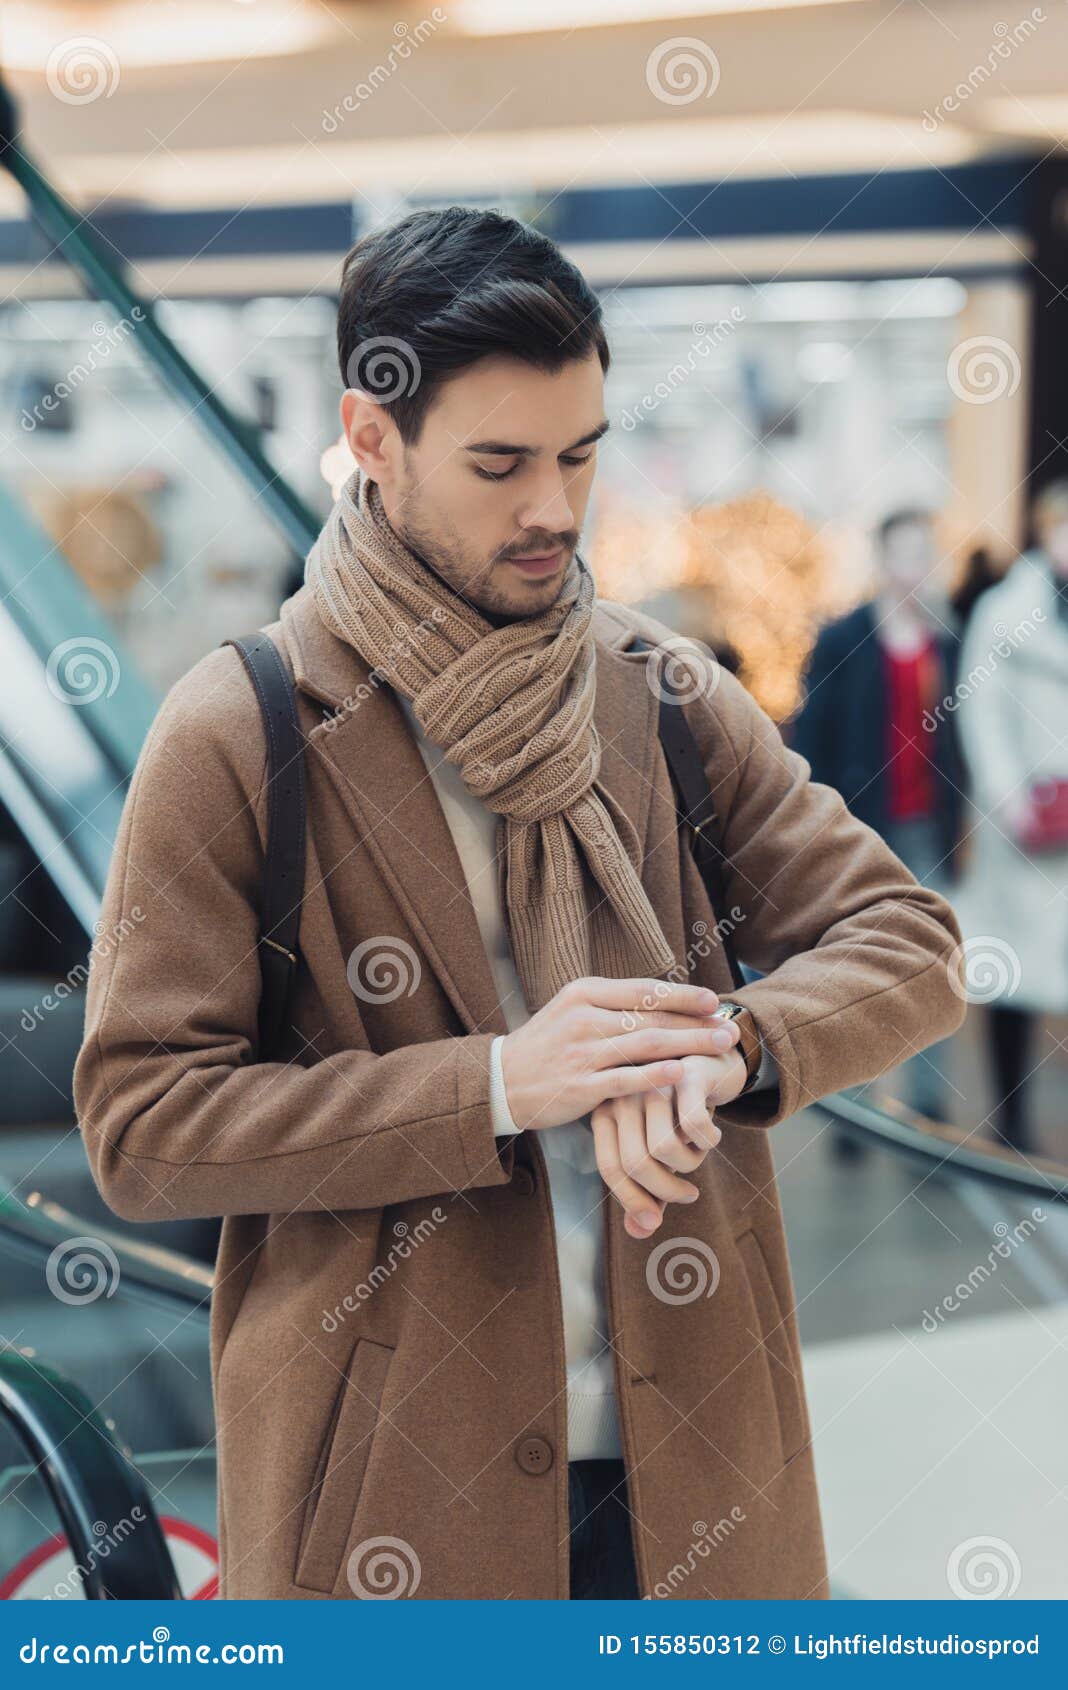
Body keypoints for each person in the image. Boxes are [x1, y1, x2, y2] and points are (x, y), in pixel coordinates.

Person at [73, 206, 965, 1603]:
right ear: (375, 440)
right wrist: (494, 1082)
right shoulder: (239, 727)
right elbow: (143, 1125)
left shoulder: (659, 693)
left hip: (698, 1477)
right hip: (387, 1494)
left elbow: (908, 938)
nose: (554, 506)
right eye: (501, 463)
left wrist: (725, 1040)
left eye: (580, 454)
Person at [790, 508, 963, 1121]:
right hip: (862, 826)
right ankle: (855, 1105)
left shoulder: (949, 641)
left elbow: (961, 743)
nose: (917, 567)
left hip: (928, 826)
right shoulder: (844, 638)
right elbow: (811, 739)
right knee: (857, 964)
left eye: (926, 553)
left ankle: (928, 1104)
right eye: (905, 553)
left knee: (936, 961)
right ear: (883, 560)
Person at [952, 479, 1068, 1153]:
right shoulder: (1006, 610)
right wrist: (1008, 799)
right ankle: (1011, 1117)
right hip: (1022, 823)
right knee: (1013, 974)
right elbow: (982, 711)